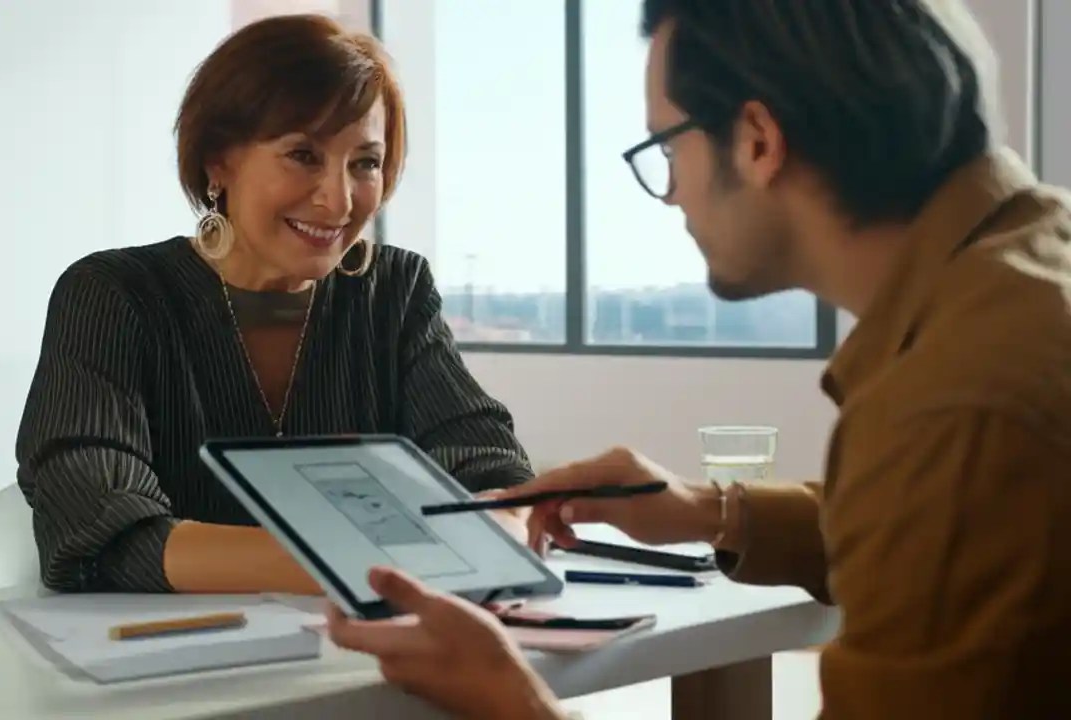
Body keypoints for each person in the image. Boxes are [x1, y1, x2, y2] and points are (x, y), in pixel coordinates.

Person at [326, 1, 1071, 718]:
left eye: (667, 146)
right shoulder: (1030, 276)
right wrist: (711, 512)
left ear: (755, 139)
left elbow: (950, 479)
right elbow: (937, 521)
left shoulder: (957, 406)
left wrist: (512, 704)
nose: (672, 192)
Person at [15, 14, 533, 596]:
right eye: (303, 155)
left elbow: (486, 460)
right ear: (219, 160)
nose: (338, 200)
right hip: (171, 666)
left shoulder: (396, 290)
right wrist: (370, 565)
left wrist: (502, 529)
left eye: (364, 162)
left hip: (372, 661)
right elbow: (96, 527)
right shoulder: (113, 295)